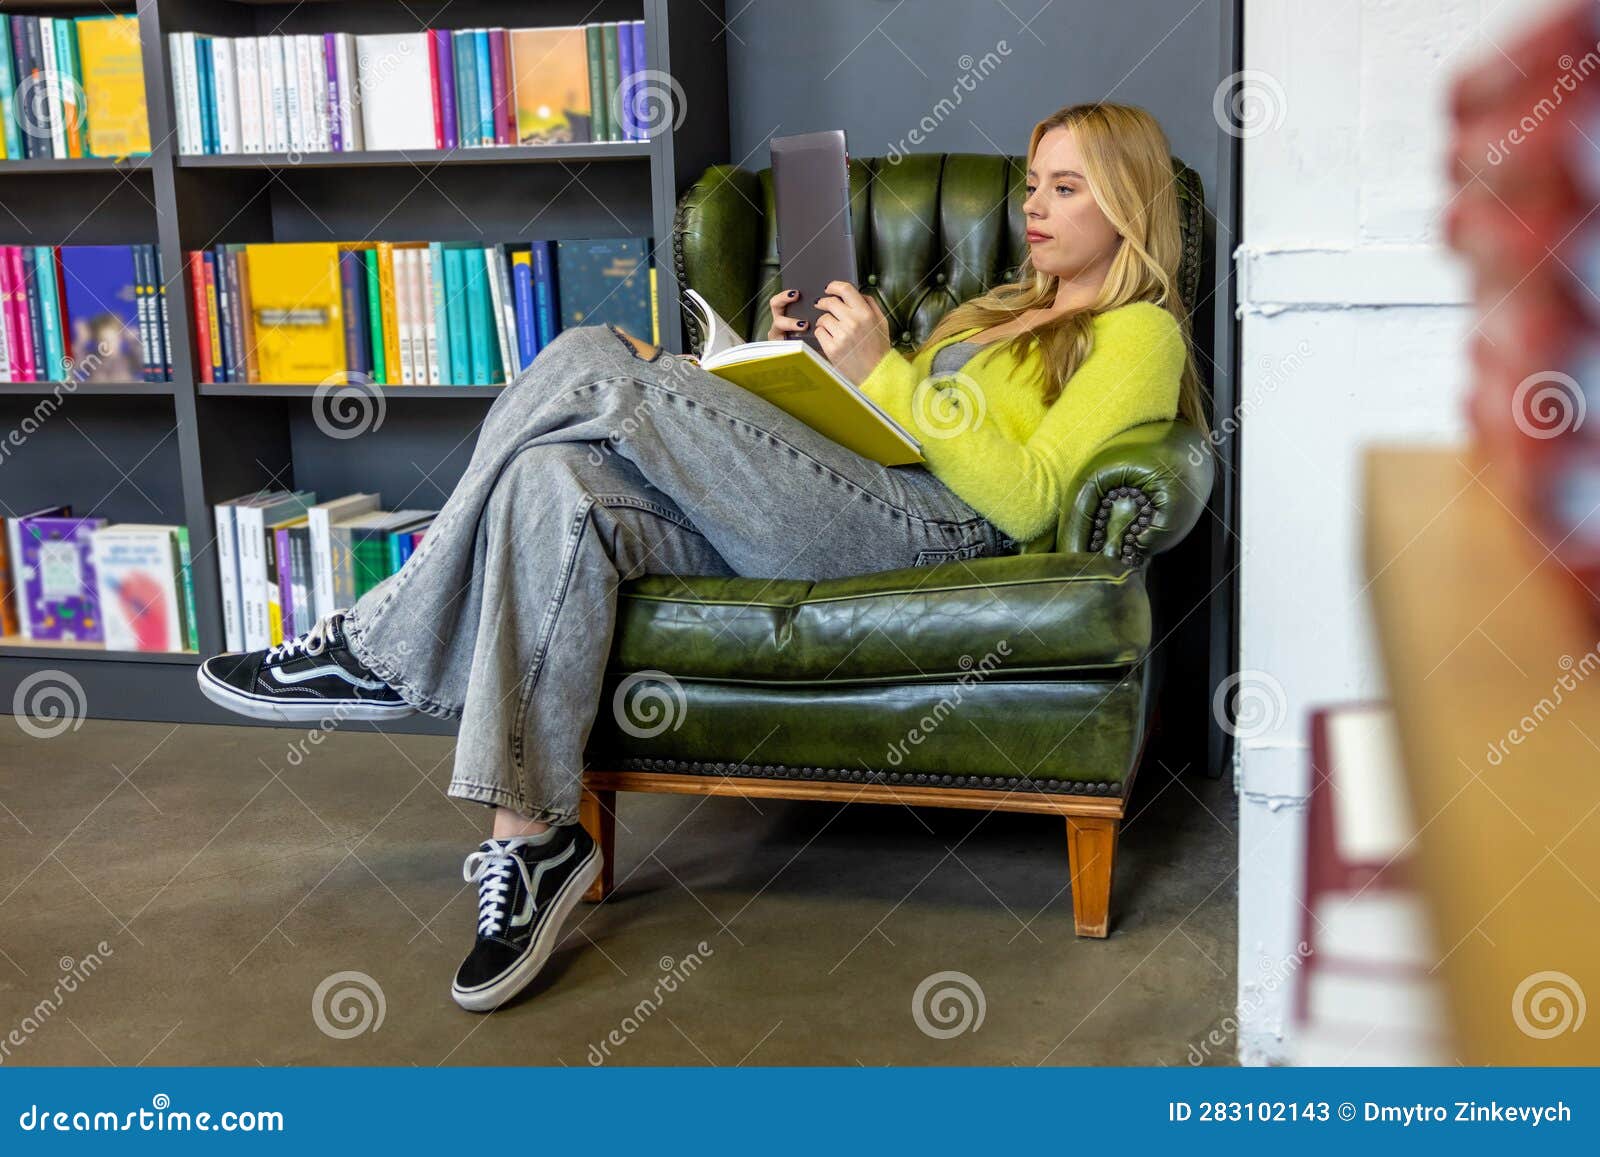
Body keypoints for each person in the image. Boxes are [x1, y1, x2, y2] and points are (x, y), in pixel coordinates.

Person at [196, 101, 1205, 1012]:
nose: (1033, 207)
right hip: (850, 497)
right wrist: (794, 370)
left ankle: (376, 643)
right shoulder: (995, 310)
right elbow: (884, 434)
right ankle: (532, 839)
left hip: (936, 532)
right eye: (1032, 184)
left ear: (1128, 203)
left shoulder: (1138, 332)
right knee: (555, 481)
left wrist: (888, 371)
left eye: (1065, 188)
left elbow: (1027, 496)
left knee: (591, 358)